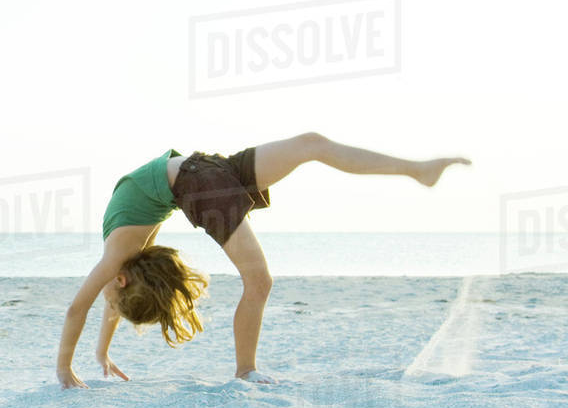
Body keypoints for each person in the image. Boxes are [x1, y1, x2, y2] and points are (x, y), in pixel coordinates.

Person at [55, 132, 470, 388]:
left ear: (122, 280)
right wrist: (100, 352)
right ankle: (417, 170)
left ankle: (245, 370)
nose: (108, 301)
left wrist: (66, 368)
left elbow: (81, 307)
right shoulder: (123, 250)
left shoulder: (120, 253)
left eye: (112, 300)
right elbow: (102, 302)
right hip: (205, 173)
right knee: (311, 146)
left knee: (260, 279)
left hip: (202, 179)